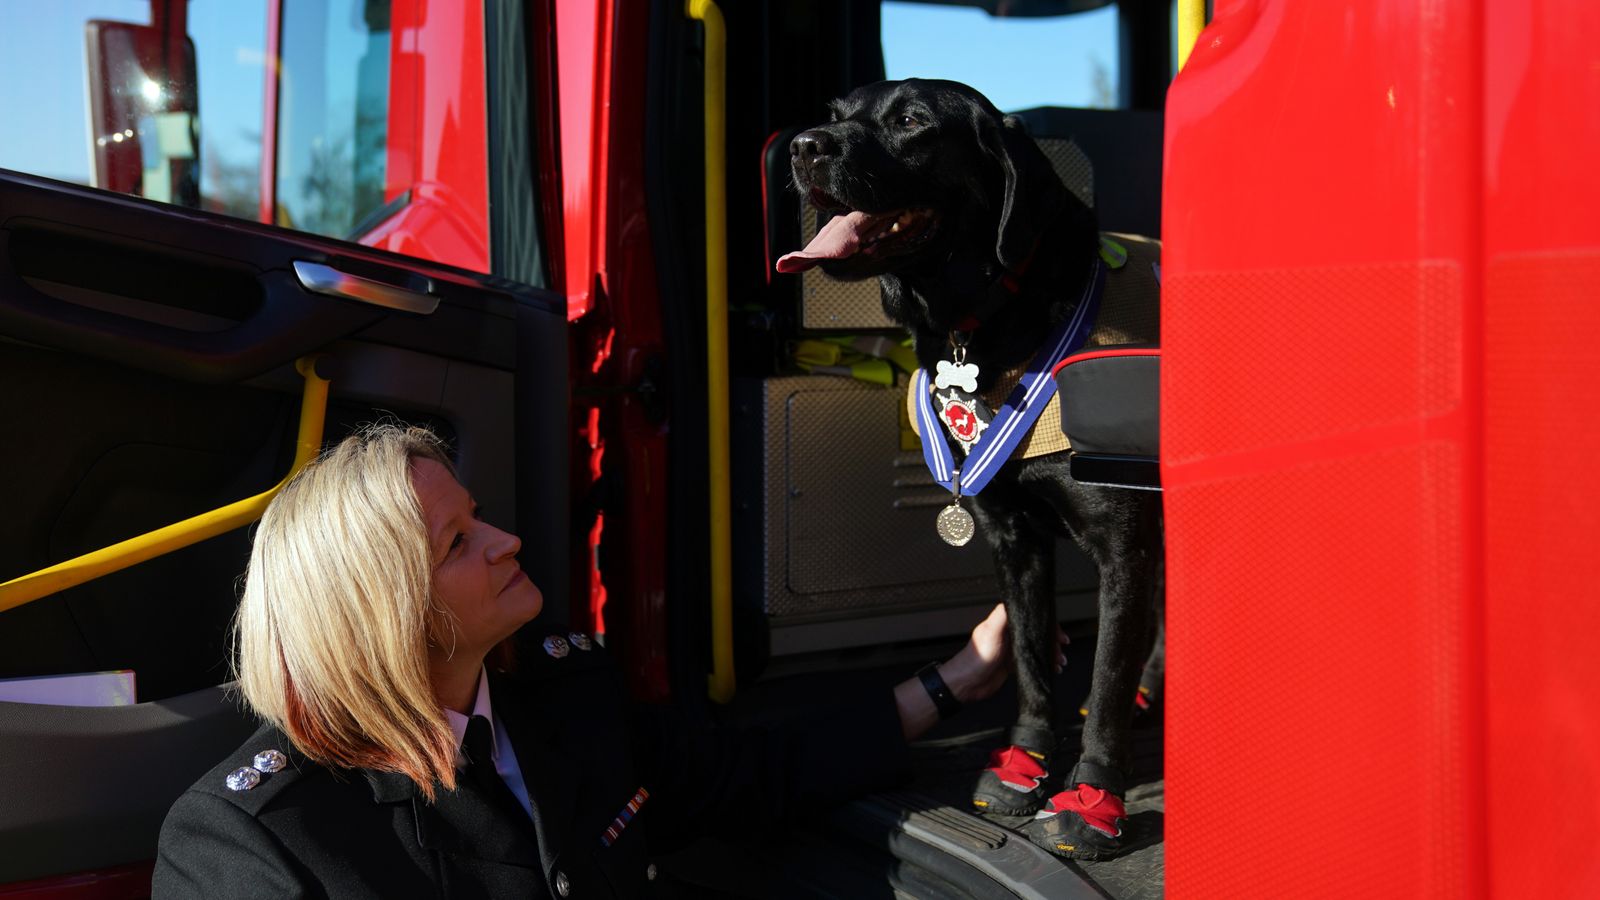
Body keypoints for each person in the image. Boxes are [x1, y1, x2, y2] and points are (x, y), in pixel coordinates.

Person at [153, 423, 1060, 898]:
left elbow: (745, 775)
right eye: (459, 542)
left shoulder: (558, 698)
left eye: (480, 515)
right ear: (386, 612)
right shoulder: (253, 840)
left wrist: (959, 680)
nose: (507, 542)